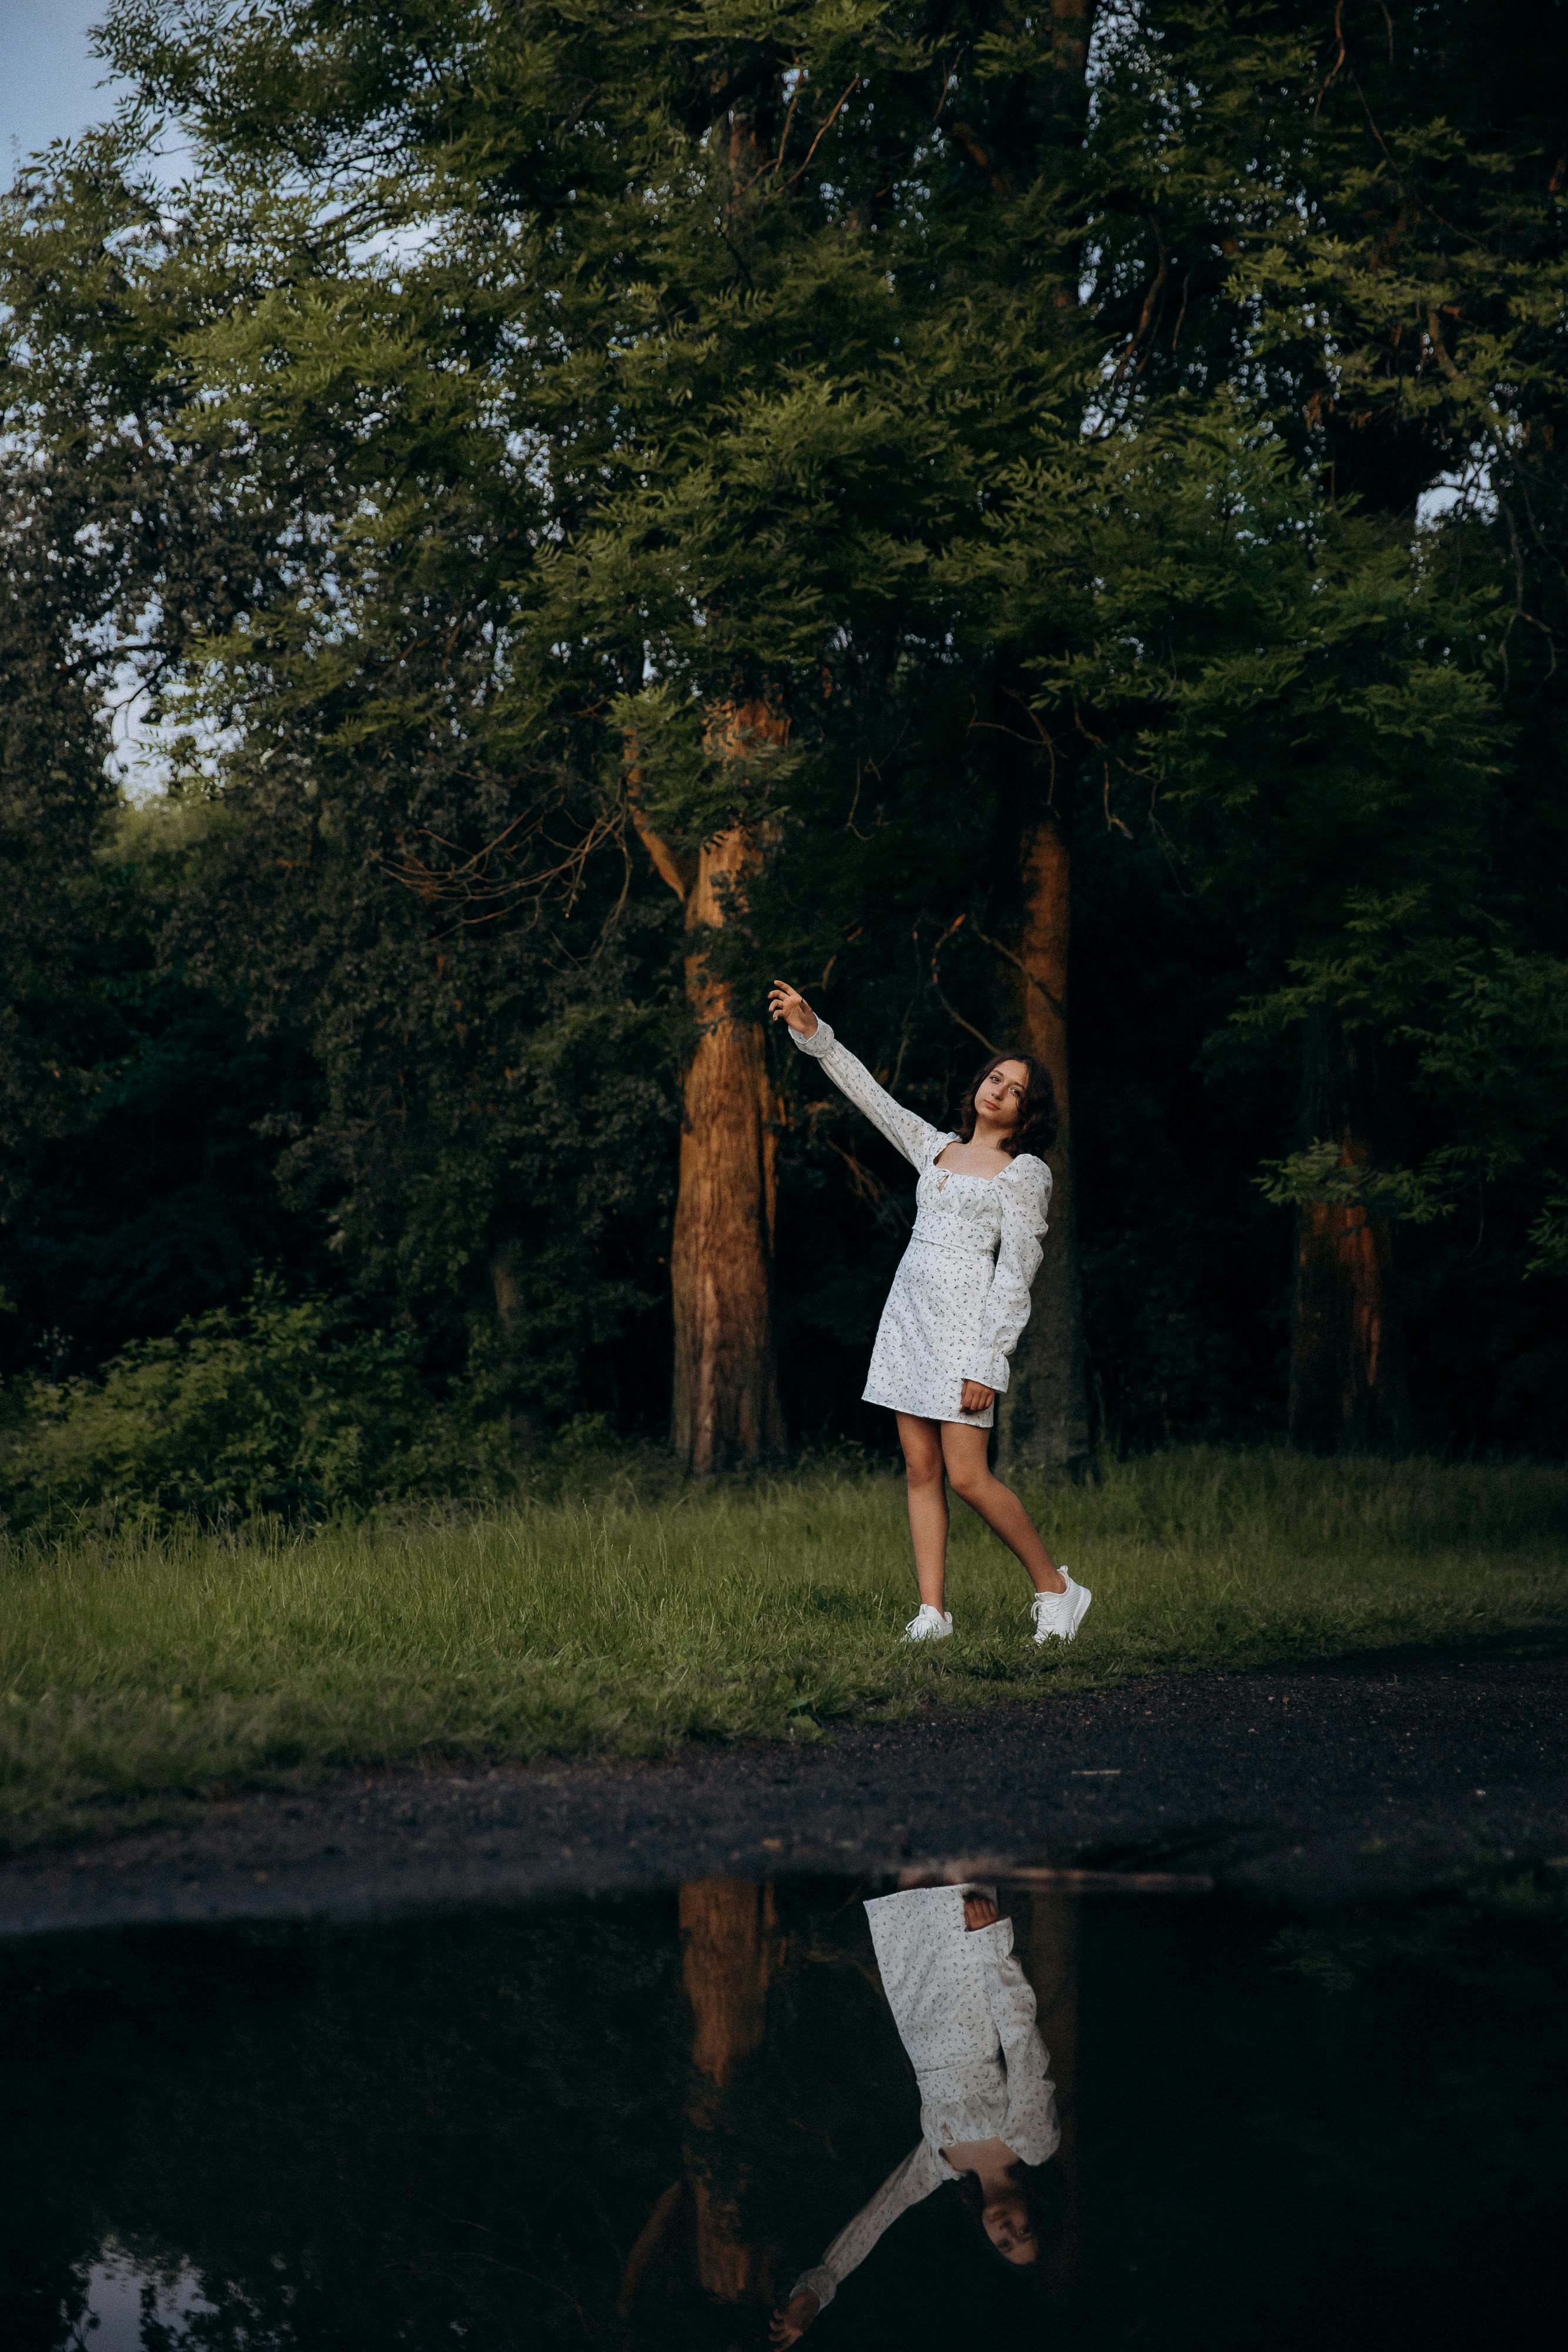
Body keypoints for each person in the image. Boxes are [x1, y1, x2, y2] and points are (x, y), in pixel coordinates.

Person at [767, 983, 1091, 1646]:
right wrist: (814, 1032)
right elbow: (874, 1100)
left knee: (969, 1475)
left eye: (1014, 1090)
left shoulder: (1024, 1172)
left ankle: (1057, 1589)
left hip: (967, 1334)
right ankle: (933, 1614)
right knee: (920, 1470)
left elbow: (1017, 1272)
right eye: (994, 1077)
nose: (998, 1090)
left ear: (1027, 1111)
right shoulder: (935, 1147)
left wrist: (988, 1359)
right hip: (909, 1322)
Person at [770, 1883, 1059, 2344]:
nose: (1007, 2228)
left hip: (913, 2007)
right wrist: (990, 1947)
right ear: (1038, 2211)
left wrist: (817, 2290)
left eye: (1005, 2243)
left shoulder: (942, 2166)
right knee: (947, 1860)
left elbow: (876, 2217)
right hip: (968, 1987)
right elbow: (1022, 2040)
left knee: (905, 1870)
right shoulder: (1034, 2142)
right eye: (1024, 2230)